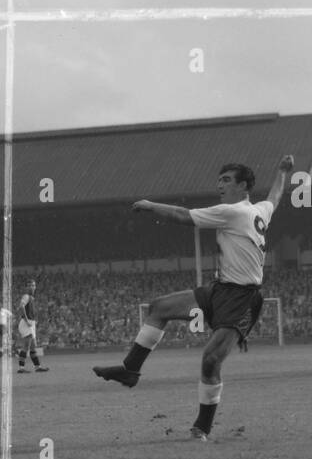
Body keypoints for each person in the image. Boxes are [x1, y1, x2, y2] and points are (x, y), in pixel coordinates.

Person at [94, 155, 294, 441]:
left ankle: (202, 427)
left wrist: (151, 206)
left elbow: (182, 215)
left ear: (243, 186)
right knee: (159, 308)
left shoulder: (233, 211)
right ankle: (130, 370)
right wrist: (282, 172)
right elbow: (275, 196)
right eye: (219, 180)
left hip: (242, 298)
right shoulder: (260, 210)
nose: (219, 185)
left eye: (226, 180)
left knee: (211, 360)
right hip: (220, 289)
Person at [16, 278, 48, 373]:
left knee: (33, 346)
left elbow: (25, 309)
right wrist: (27, 320)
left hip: (30, 323)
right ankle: (21, 368)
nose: (31, 287)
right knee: (26, 345)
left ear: (35, 286)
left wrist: (33, 321)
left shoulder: (32, 298)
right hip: (26, 323)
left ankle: (37, 367)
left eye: (33, 285)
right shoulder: (26, 296)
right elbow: (21, 307)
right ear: (26, 287)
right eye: (29, 285)